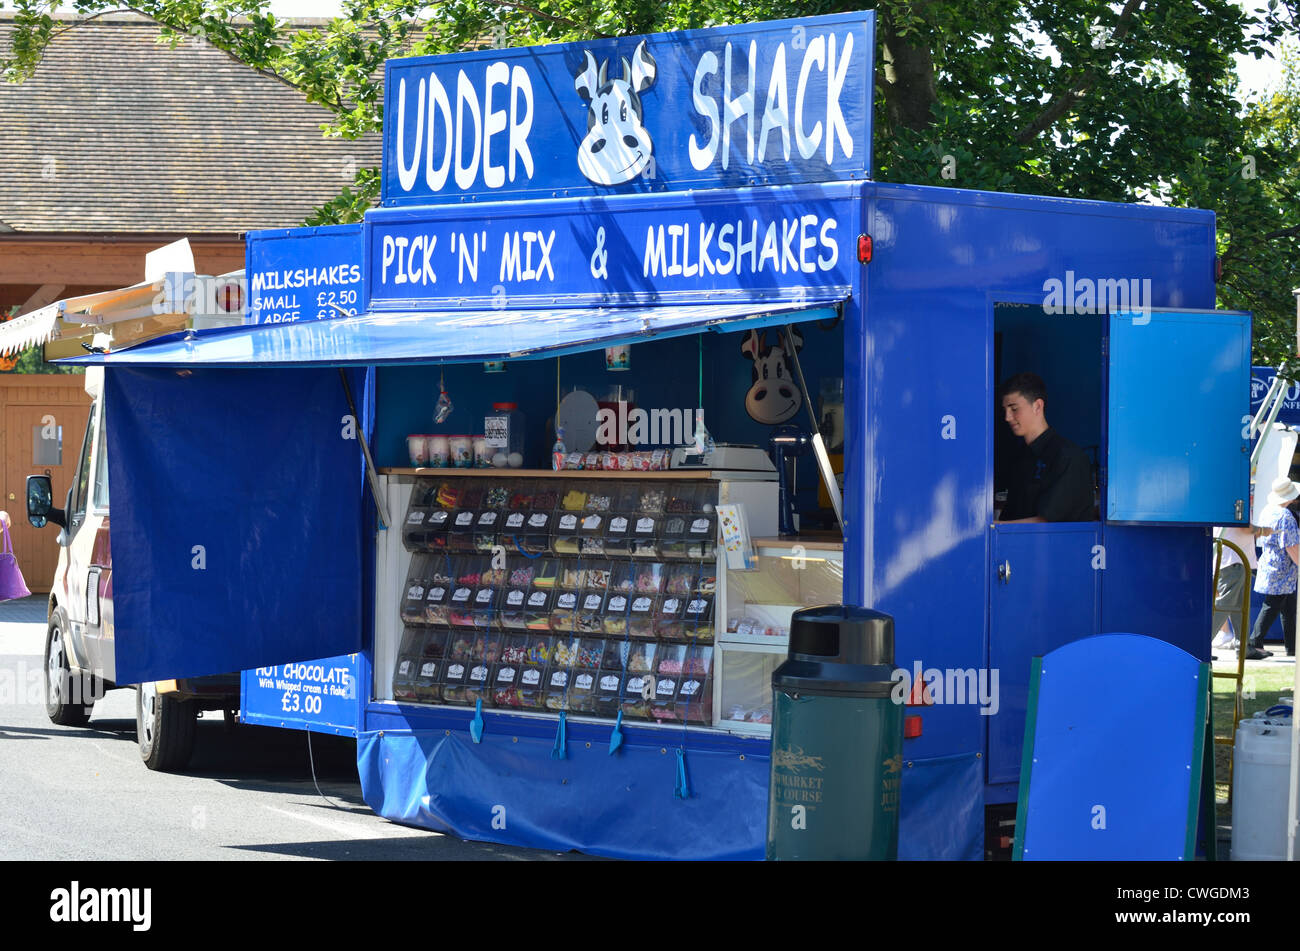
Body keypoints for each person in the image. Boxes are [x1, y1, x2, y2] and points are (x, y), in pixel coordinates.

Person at [996, 373, 1095, 522]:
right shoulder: (1021, 458)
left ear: (1037, 406)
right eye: (1005, 410)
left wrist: (995, 528)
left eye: (1014, 409)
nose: (1007, 417)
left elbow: (1047, 522)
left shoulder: (1068, 457)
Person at [1248, 476, 1300, 659]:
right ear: (1290, 498)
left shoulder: (1268, 511)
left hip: (1270, 563)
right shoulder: (1286, 516)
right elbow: (1291, 546)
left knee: (1287, 606)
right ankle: (1255, 641)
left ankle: (1292, 646)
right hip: (1283, 569)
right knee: (1274, 604)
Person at [1211, 522, 1258, 652]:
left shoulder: (1227, 503)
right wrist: (1264, 530)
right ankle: (1200, 646)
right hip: (1233, 561)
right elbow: (1245, 527)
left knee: (1239, 607)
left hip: (1232, 561)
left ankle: (1243, 648)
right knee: (1224, 605)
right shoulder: (1240, 502)